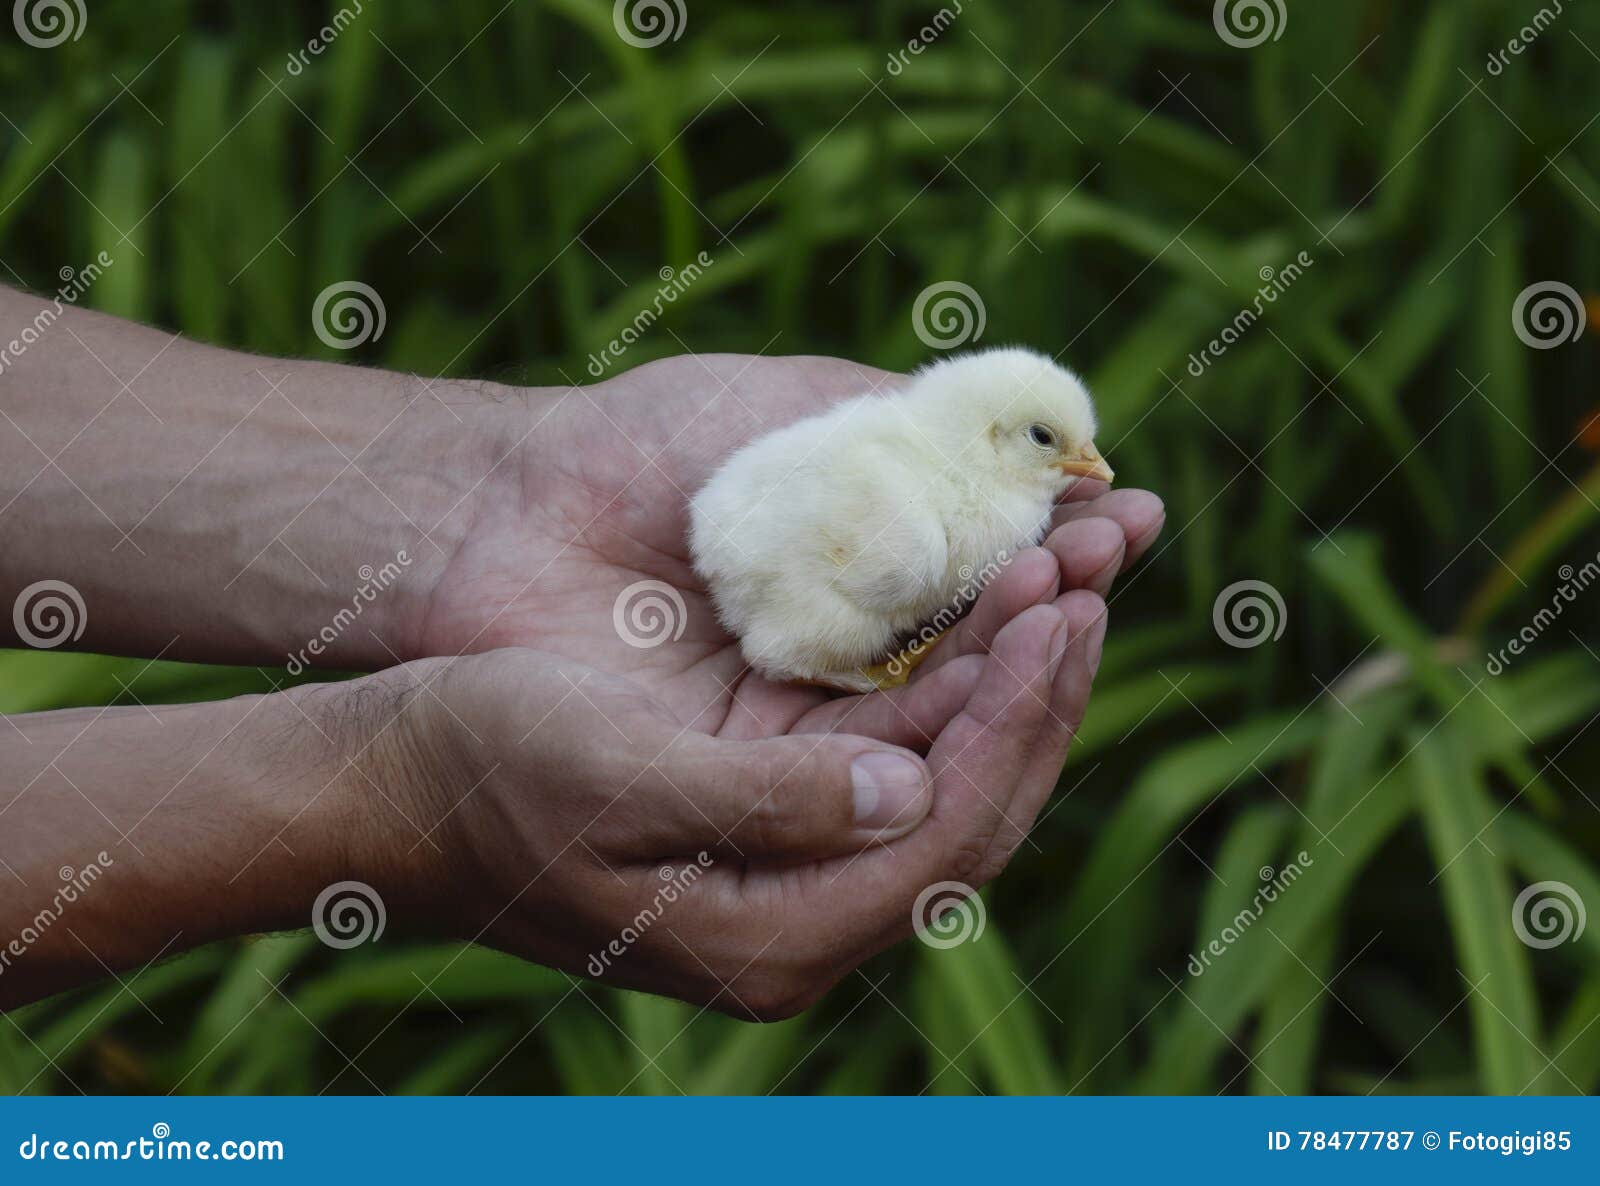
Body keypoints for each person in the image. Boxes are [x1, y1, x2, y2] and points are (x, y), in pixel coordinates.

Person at [0, 282, 1163, 1018]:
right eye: (1054, 445)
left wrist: (491, 484)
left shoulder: (910, 463)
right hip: (801, 575)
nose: (1080, 465)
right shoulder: (918, 512)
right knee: (891, 564)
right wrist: (392, 792)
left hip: (758, 548)